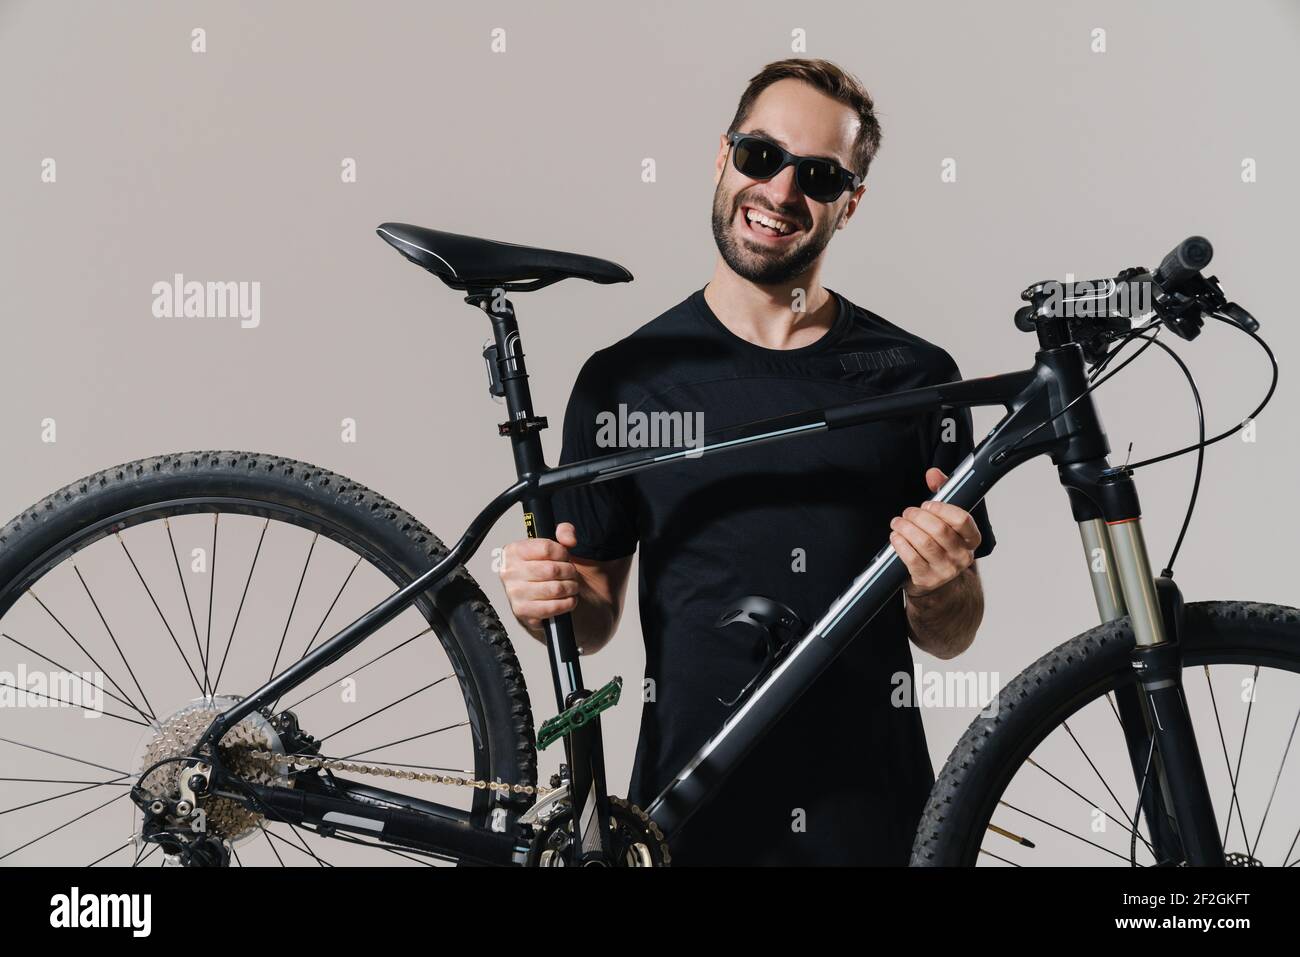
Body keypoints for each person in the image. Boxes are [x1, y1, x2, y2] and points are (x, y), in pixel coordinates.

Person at [499, 58, 995, 865]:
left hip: (878, 826)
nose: (781, 191)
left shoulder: (914, 376)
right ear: (722, 156)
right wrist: (543, 594)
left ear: (850, 202)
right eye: (761, 155)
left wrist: (944, 585)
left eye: (820, 174)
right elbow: (592, 613)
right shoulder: (627, 380)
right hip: (686, 823)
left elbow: (954, 631)